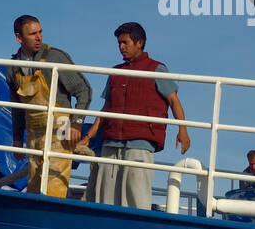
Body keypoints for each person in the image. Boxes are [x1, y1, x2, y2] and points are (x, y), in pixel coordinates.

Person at [78, 22, 190, 210]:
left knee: (136, 196)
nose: (121, 47)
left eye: (125, 42)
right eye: (119, 43)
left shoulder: (156, 69)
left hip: (140, 142)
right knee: (105, 198)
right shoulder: (116, 72)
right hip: (111, 142)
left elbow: (173, 100)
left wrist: (183, 130)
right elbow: (106, 109)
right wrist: (88, 136)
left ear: (140, 43)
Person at [4, 15, 91, 197]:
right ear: (19, 38)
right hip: (34, 134)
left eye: (40, 32)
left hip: (60, 130)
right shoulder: (13, 67)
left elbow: (84, 90)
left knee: (54, 185)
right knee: (35, 187)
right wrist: (17, 139)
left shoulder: (54, 57)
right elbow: (17, 108)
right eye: (32, 34)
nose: (39, 37)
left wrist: (76, 123)